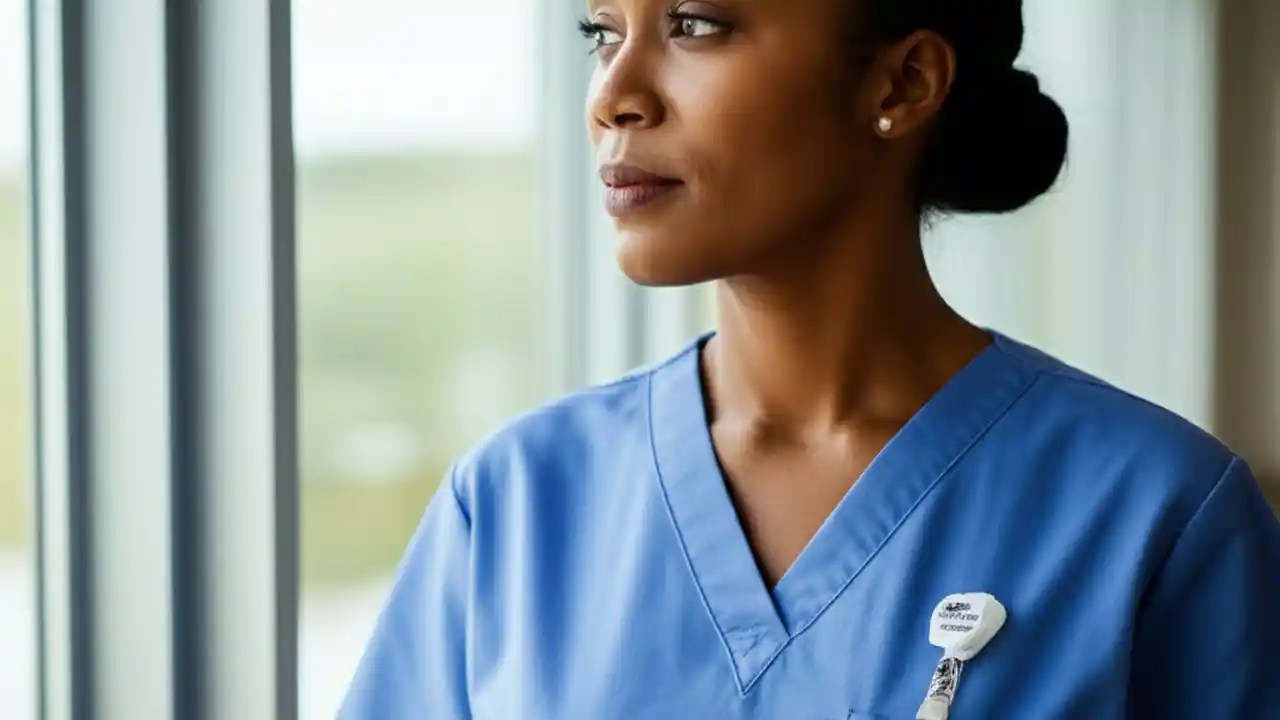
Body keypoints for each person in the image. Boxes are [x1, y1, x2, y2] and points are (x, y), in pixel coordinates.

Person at [340, 0, 1280, 717]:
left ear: (902, 84)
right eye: (603, 33)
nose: (614, 95)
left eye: (695, 25)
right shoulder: (516, 501)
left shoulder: (1155, 513)